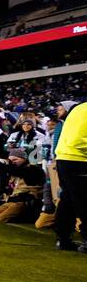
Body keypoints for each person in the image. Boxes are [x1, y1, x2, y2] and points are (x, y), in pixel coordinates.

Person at [53, 100, 87, 252]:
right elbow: (79, 141)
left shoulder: (79, 109)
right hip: (79, 159)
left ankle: (63, 238)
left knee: (68, 199)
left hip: (64, 158)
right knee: (83, 200)